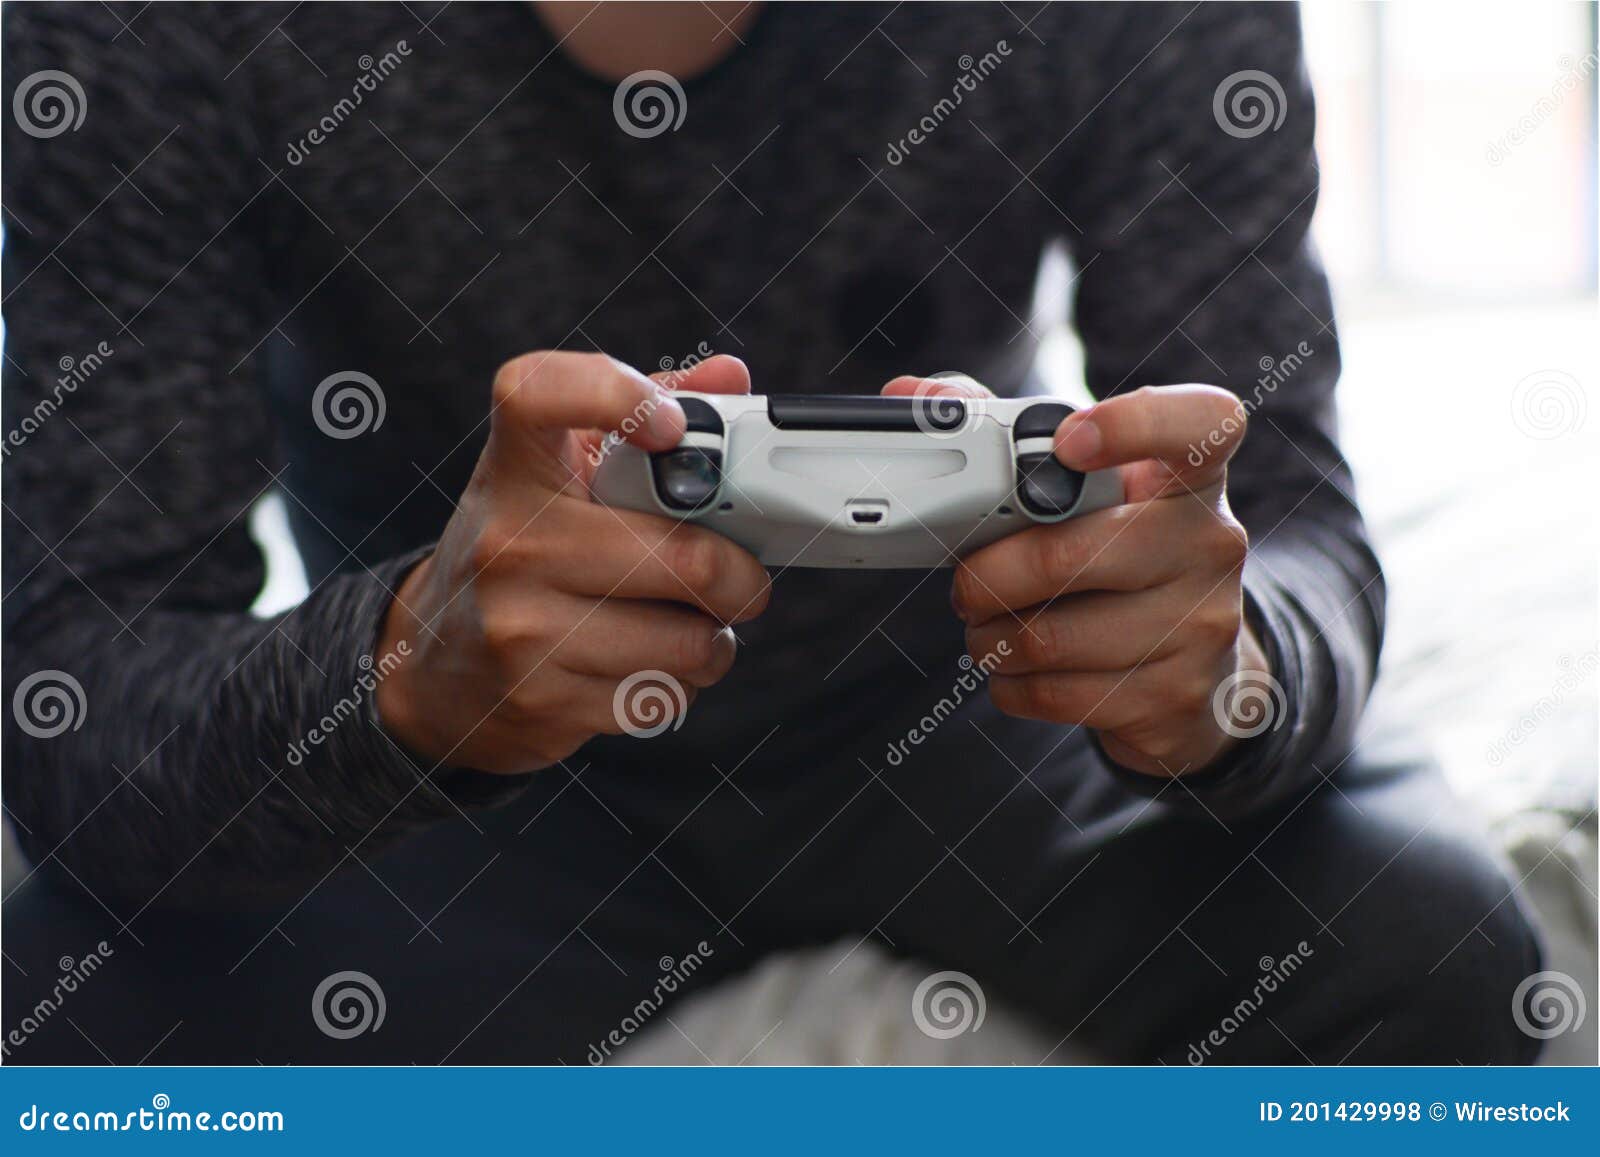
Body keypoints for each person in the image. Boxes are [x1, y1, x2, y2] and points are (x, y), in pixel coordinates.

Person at [2, 2, 1540, 1064]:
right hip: (463, 768)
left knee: (1446, 949)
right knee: (50, 1018)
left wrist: (1226, 673)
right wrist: (403, 670)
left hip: (974, 707)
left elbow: (1289, 528)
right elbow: (72, 681)